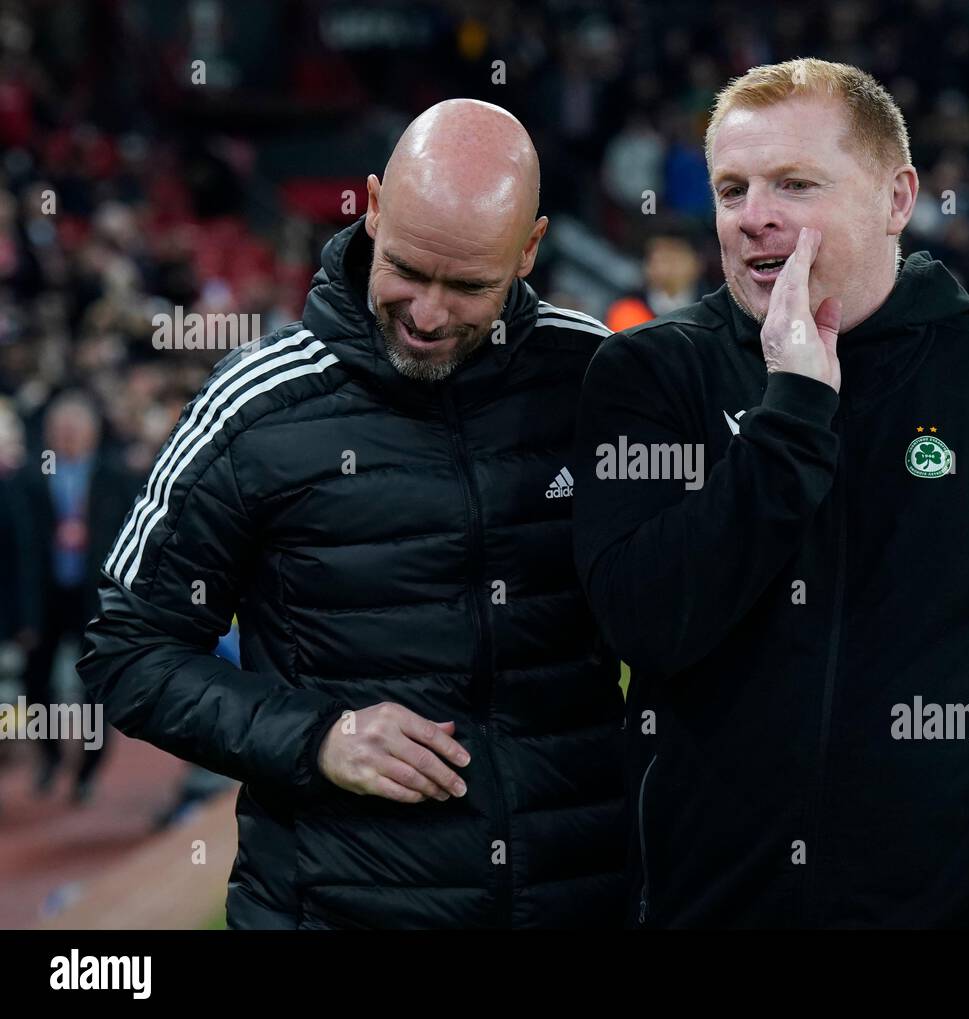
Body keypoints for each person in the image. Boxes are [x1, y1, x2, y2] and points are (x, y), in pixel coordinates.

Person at [573, 59, 969, 929]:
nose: (755, 215)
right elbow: (643, 621)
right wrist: (793, 413)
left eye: (795, 183)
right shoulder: (649, 374)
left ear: (897, 199)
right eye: (732, 188)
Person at [79, 99, 626, 929]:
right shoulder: (254, 408)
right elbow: (127, 650)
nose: (430, 313)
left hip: (582, 901)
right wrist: (317, 737)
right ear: (370, 207)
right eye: (407, 267)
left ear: (530, 250)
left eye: (469, 284)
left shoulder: (595, 377)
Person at [9, 391, 138, 802]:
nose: (67, 436)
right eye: (59, 428)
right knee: (34, 683)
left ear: (92, 431)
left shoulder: (116, 476)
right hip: (43, 601)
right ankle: (48, 757)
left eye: (75, 427)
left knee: (96, 689)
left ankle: (87, 770)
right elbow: (17, 550)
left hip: (96, 602)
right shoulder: (29, 477)